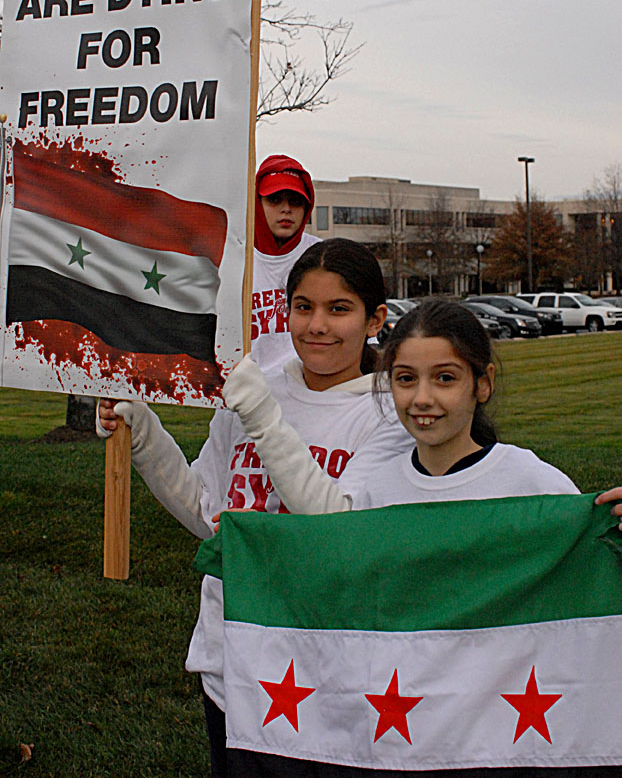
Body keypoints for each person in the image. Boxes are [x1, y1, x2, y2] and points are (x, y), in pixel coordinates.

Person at [96, 238, 413, 778]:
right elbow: (206, 510)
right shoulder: (257, 390)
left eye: (339, 309)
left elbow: (337, 530)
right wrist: (143, 430)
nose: (317, 326)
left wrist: (262, 416)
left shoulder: (390, 412)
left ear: (375, 318)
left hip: (329, 670)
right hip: (232, 660)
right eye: (303, 307)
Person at [225, 297, 622, 520]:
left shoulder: (532, 484)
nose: (422, 399)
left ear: (483, 384)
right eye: (406, 378)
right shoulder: (375, 494)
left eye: (445, 378)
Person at [251, 153, 321, 370]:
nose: (286, 209)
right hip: (245, 394)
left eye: (296, 201)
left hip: (306, 391)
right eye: (274, 199)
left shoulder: (321, 255)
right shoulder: (232, 256)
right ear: (256, 202)